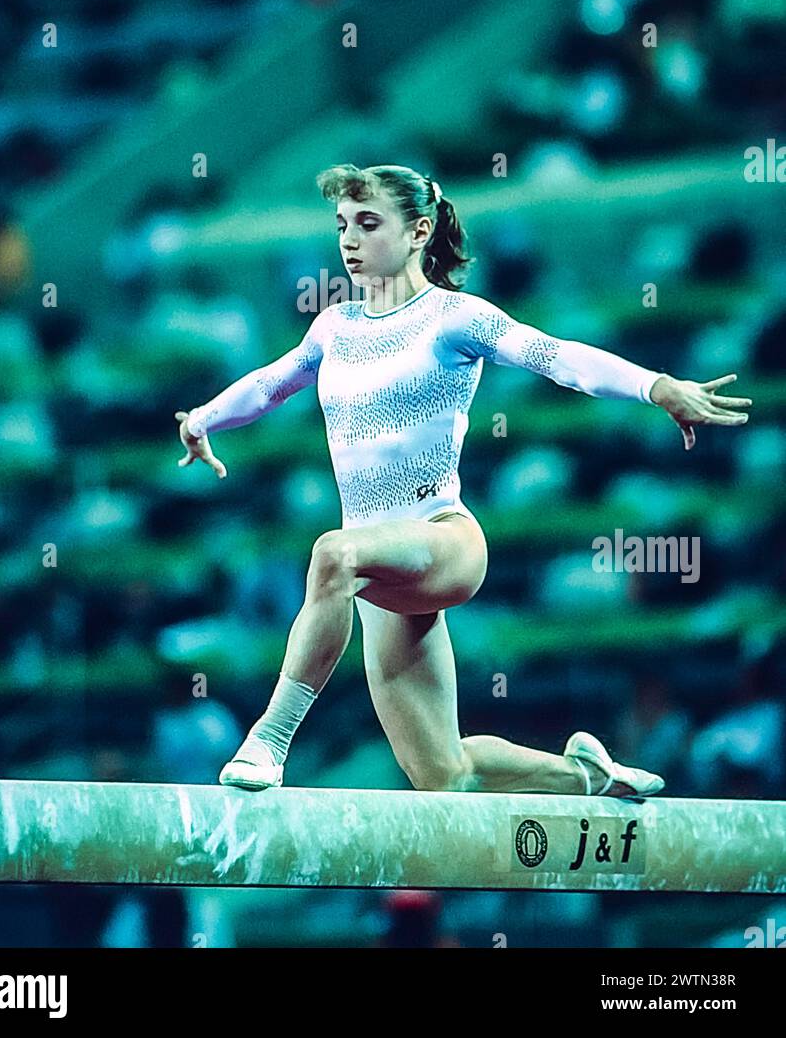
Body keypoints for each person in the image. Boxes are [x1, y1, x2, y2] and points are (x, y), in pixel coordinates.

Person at [175, 163, 752, 797]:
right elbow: (268, 385)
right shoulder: (333, 328)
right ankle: (587, 773)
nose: (350, 240)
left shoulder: (454, 317)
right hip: (379, 574)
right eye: (342, 225)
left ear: (419, 231)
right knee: (443, 775)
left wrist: (656, 385)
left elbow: (556, 356)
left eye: (368, 223)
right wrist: (201, 420)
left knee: (331, 553)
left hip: (439, 536)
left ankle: (269, 740)